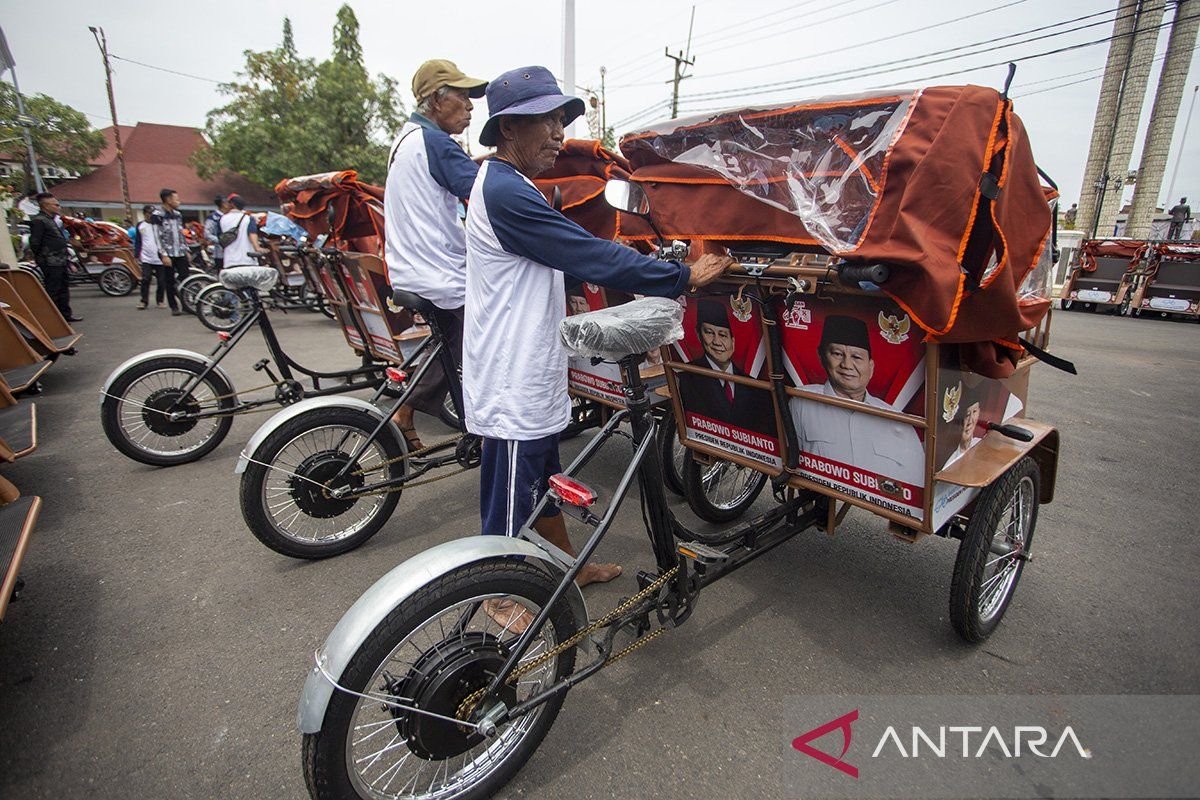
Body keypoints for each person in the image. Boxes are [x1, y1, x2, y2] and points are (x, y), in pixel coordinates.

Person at [464, 64, 732, 624]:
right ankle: (499, 592)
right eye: (548, 121)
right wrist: (680, 277)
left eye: (563, 120)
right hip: (510, 371)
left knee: (543, 473)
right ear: (510, 129)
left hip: (529, 361)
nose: (560, 133)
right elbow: (587, 253)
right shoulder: (506, 192)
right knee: (511, 491)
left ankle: (567, 561)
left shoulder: (511, 185)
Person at [384, 59, 487, 450]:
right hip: (439, 273)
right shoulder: (435, 143)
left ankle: (407, 412)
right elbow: (486, 196)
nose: (471, 107)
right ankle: (491, 428)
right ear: (436, 99)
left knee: (448, 342)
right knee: (487, 344)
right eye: (463, 97)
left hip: (413, 268)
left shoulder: (406, 140)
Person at [789, 315, 924, 486]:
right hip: (820, 494)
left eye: (857, 357)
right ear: (822, 357)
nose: (847, 364)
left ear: (871, 367)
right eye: (838, 354)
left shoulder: (896, 420)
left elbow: (917, 482)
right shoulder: (802, 402)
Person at [676, 300, 774, 434]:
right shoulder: (687, 376)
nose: (717, 342)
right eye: (709, 333)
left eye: (723, 335)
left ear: (733, 342)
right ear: (699, 335)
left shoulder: (755, 386)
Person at [26, 192, 82, 322]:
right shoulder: (39, 221)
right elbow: (35, 242)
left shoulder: (51, 220)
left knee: (63, 289)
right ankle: (55, 320)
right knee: (53, 291)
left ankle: (65, 315)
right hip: (50, 262)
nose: (58, 207)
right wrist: (41, 258)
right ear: (45, 206)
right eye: (55, 205)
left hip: (60, 260)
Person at [134, 204, 180, 314]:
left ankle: (160, 300)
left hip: (160, 257)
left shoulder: (159, 224)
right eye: (149, 213)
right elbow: (138, 241)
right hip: (146, 258)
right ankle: (144, 301)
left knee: (162, 280)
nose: (151, 215)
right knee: (146, 278)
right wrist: (136, 255)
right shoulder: (141, 225)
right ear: (145, 214)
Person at [943, 385, 981, 469]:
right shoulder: (949, 465)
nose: (970, 421)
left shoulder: (982, 446)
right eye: (967, 415)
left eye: (974, 412)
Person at [158, 189, 190, 287]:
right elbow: (158, 237)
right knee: (169, 281)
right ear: (168, 200)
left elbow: (181, 234)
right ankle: (172, 302)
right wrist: (164, 255)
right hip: (168, 253)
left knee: (186, 278)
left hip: (180, 252)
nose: (178, 202)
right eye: (176, 199)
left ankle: (186, 300)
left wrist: (186, 250)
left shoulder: (178, 215)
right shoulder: (158, 215)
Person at [219, 194, 261, 267]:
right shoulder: (248, 218)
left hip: (229, 261)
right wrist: (257, 247)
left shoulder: (222, 219)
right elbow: (252, 234)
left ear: (232, 204)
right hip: (247, 260)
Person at [203, 195, 232, 271]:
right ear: (223, 204)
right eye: (228, 202)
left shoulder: (230, 216)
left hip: (232, 251)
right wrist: (219, 241)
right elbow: (207, 233)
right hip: (220, 252)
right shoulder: (214, 217)